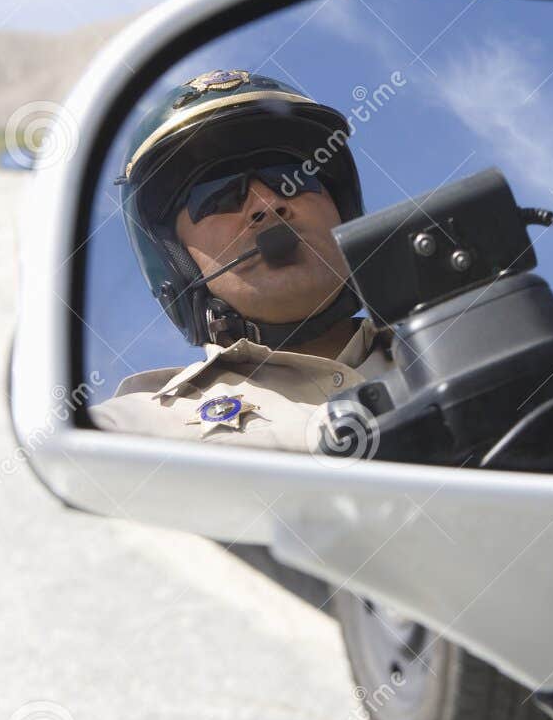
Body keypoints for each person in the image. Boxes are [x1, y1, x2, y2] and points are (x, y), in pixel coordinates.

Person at [90, 69, 388, 451]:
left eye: (292, 176)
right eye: (218, 196)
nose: (267, 204)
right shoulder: (130, 430)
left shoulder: (467, 331)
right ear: (178, 263)